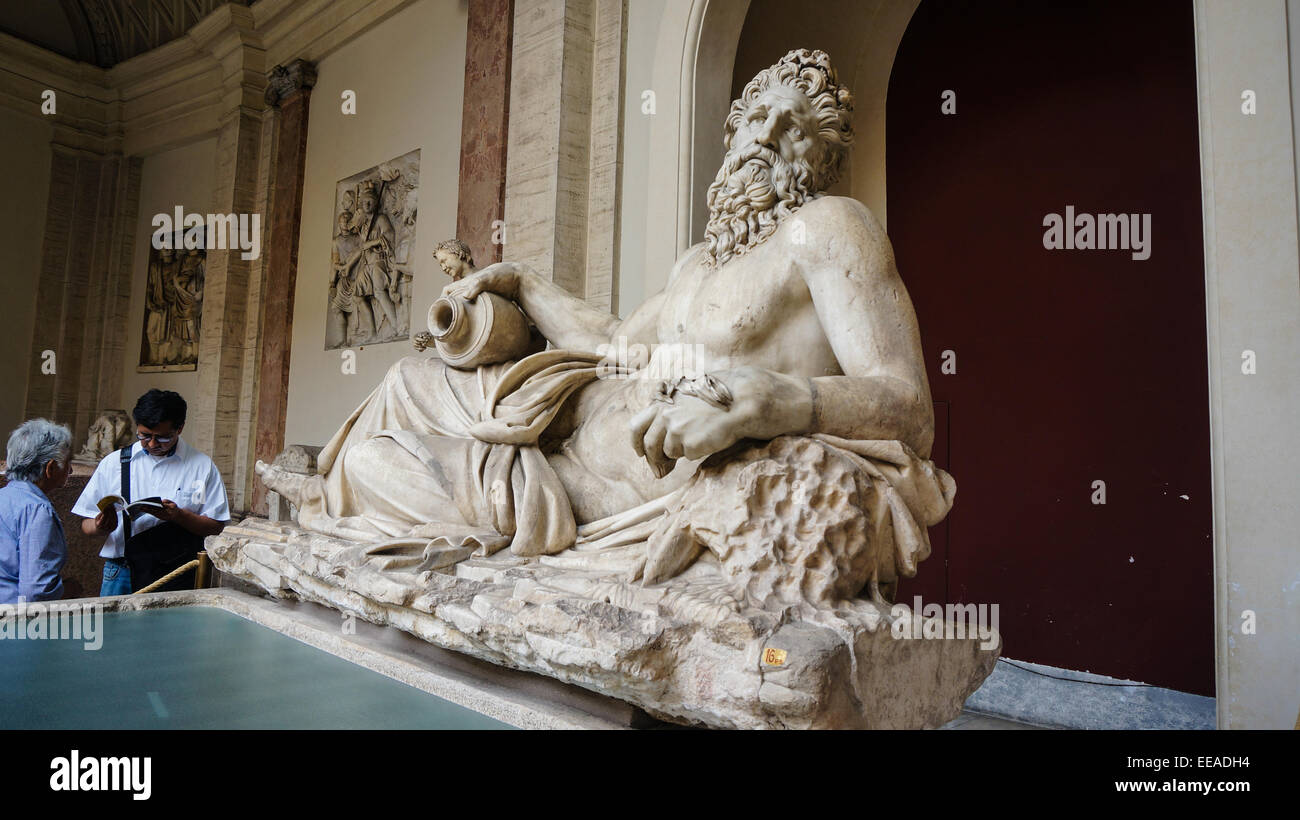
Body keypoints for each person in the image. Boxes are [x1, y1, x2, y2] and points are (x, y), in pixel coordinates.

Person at [258, 49, 943, 583]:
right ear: (731, 134)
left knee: (377, 462)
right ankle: (340, 494)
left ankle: (345, 499)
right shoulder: (696, 264)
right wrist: (524, 283)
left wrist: (775, 398)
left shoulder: (827, 228)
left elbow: (907, 403)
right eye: (758, 116)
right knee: (410, 380)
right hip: (564, 434)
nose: (766, 134)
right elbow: (615, 343)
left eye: (793, 128)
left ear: (815, 160)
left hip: (608, 487)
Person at [73, 390, 230, 595]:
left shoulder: (201, 466)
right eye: (145, 436)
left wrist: (179, 516)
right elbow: (86, 525)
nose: (153, 444)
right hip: (121, 572)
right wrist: (100, 526)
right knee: (115, 628)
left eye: (163, 438)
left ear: (179, 428)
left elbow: (217, 526)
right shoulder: (114, 463)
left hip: (176, 572)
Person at [0, 419, 73, 604]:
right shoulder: (37, 510)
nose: (70, 470)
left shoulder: (4, 496)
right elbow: (37, 592)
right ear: (50, 468)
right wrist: (68, 591)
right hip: (16, 622)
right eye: (67, 463)